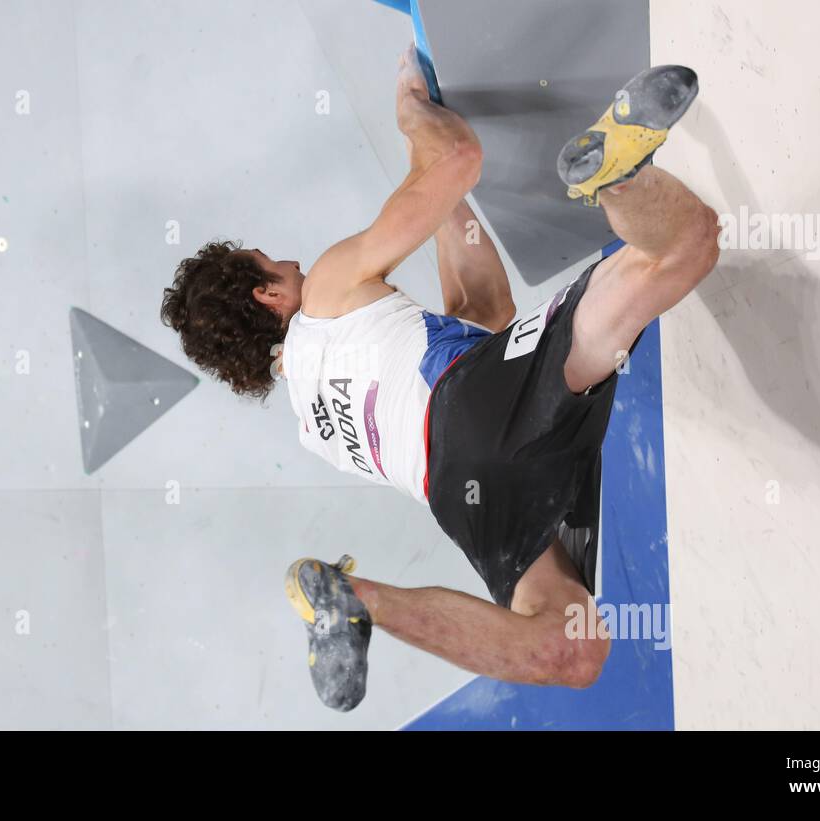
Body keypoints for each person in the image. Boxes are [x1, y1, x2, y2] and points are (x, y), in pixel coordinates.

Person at [160, 45, 719, 711]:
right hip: (472, 400)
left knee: (573, 646)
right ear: (265, 297)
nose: (289, 260)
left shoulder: (313, 425)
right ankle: (618, 177)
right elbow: (461, 161)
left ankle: (359, 601)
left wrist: (427, 183)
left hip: (464, 492)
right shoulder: (326, 290)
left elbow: (482, 315)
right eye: (270, 262)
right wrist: (414, 118)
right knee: (684, 246)